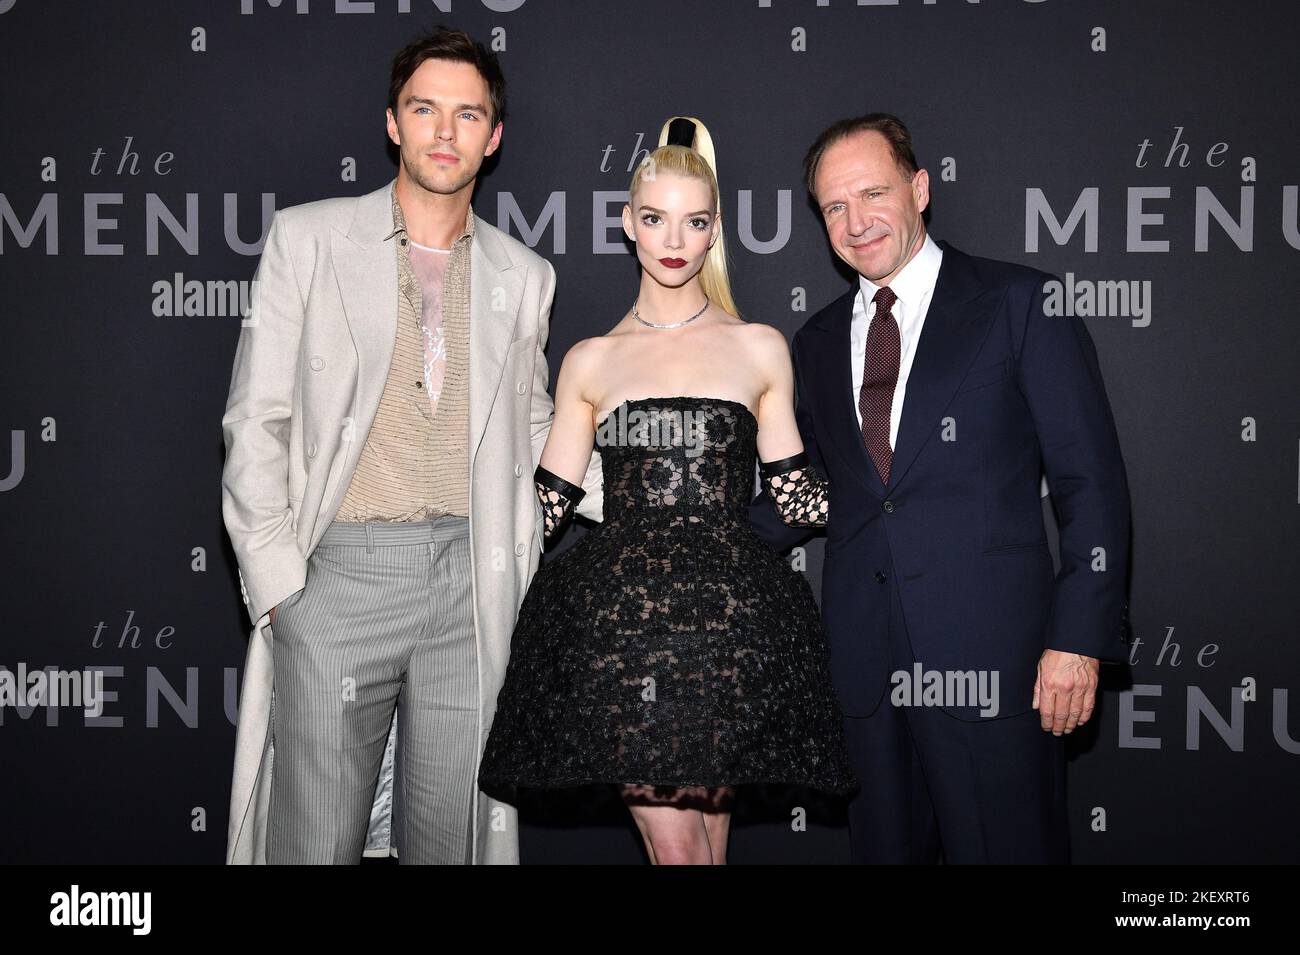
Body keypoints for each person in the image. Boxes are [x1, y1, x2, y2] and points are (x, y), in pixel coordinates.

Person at [220, 26, 602, 864]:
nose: (443, 131)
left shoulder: (523, 274)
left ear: (492, 138)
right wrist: (284, 589)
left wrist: (652, 495)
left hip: (469, 588)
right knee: (311, 841)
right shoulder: (308, 240)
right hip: (338, 580)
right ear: (393, 122)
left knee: (451, 840)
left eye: (467, 115)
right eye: (424, 109)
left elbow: (534, 425)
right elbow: (256, 419)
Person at [749, 113, 1131, 863]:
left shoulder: (1021, 304)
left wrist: (1077, 639)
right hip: (865, 670)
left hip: (997, 665)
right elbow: (816, 490)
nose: (856, 222)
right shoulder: (816, 342)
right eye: (834, 206)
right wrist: (685, 534)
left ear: (919, 189)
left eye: (873, 193)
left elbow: (1092, 481)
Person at [477, 116, 858, 865]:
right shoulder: (589, 360)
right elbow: (545, 509)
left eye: (693, 221)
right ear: (628, 224)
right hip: (625, 632)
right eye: (655, 219)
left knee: (705, 851)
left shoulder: (759, 346)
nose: (673, 239)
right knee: (680, 850)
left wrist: (902, 499)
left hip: (729, 633)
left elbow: (792, 496)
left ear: (715, 230)